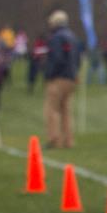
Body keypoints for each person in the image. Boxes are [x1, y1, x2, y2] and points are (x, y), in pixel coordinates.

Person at [42, 9, 79, 149]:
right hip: (71, 77)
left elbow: (57, 59)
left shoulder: (56, 37)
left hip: (59, 77)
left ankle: (54, 139)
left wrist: (50, 74)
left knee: (52, 109)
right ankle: (68, 140)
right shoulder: (72, 37)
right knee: (66, 111)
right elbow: (77, 58)